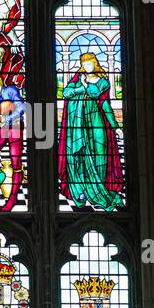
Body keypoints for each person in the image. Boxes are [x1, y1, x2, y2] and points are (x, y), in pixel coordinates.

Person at [58, 50, 123, 209]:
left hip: (96, 122)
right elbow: (66, 93)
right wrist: (81, 87)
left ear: (95, 63)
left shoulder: (102, 82)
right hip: (78, 127)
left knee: (100, 155)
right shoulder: (77, 80)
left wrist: (115, 126)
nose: (86, 66)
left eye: (89, 63)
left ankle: (99, 189)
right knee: (79, 157)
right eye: (84, 64)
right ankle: (82, 191)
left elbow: (101, 101)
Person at [0, 72, 26, 211]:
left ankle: (13, 198)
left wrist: (6, 119)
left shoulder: (10, 90)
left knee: (16, 162)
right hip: (4, 128)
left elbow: (21, 107)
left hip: (15, 127)